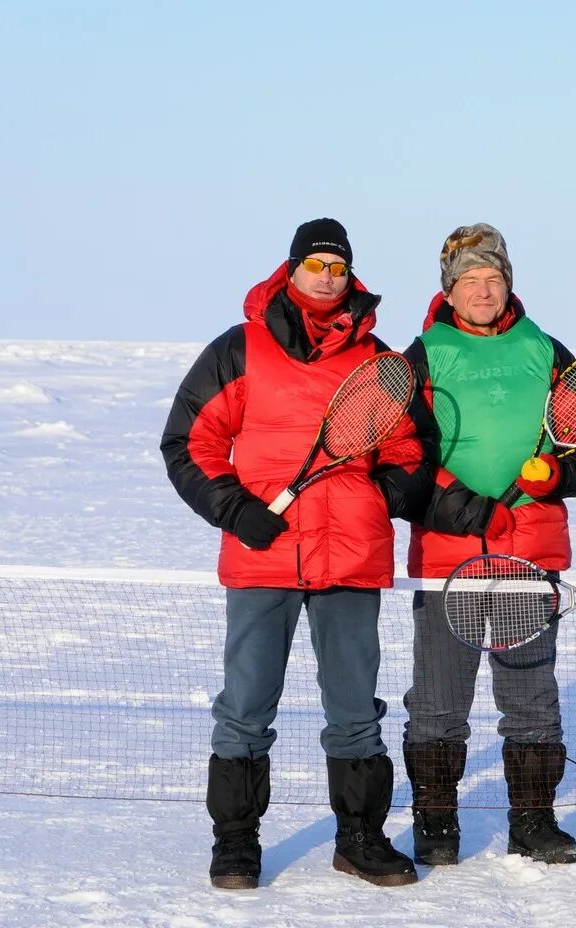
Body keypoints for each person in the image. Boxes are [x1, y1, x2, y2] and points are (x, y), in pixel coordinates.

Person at [161, 218, 435, 891]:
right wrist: (235, 508)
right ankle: (235, 844)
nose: (327, 278)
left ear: (350, 278)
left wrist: (378, 494)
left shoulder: (377, 363)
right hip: (264, 554)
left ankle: (361, 839)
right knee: (247, 703)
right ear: (291, 269)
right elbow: (187, 443)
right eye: (316, 264)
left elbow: (411, 451)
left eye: (338, 268)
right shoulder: (240, 350)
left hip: (350, 555)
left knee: (353, 706)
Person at [400, 223, 576, 867]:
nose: (484, 290)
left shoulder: (545, 350)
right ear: (451, 289)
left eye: (493, 279)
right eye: (471, 280)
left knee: (530, 696)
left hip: (526, 558)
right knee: (438, 700)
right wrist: (464, 507)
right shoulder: (421, 355)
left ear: (508, 282)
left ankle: (534, 821)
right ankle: (436, 824)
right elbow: (401, 458)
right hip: (448, 557)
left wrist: (557, 474)